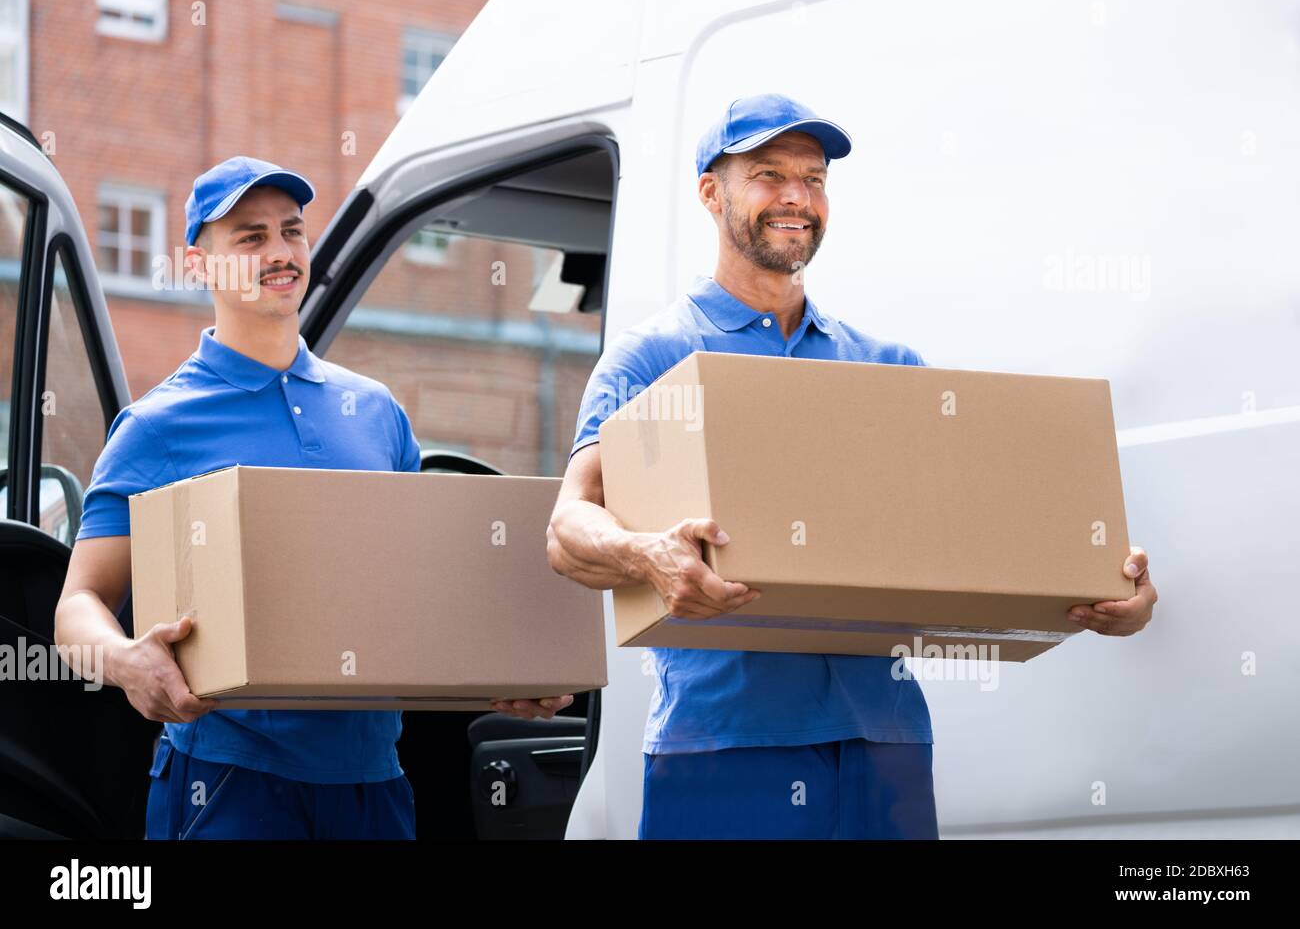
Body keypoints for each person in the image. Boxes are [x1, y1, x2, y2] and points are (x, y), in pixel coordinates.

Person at [546, 94, 1159, 839]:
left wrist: (1100, 587)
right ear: (712, 192)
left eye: (815, 178)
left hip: (885, 746)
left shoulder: (887, 367)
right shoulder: (656, 357)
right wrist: (647, 553)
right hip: (724, 743)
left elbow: (981, 531)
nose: (798, 197)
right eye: (769, 174)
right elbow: (568, 526)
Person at [53, 156, 570, 839]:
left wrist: (500, 668)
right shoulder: (160, 427)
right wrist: (123, 662)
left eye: (291, 232)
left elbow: (413, 595)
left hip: (373, 782)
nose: (280, 252)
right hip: (231, 784)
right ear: (199, 264)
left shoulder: (376, 412)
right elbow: (75, 608)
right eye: (250, 237)